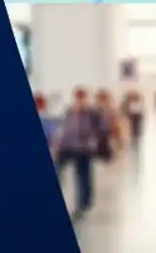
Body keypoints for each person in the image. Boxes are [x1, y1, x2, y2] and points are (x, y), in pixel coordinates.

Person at [52, 87, 105, 220]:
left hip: (84, 149)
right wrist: (58, 143)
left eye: (82, 98)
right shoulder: (70, 111)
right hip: (68, 146)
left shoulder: (93, 113)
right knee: (60, 170)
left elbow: (102, 128)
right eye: (77, 98)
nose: (80, 101)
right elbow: (64, 127)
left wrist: (93, 139)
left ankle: (83, 205)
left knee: (83, 176)